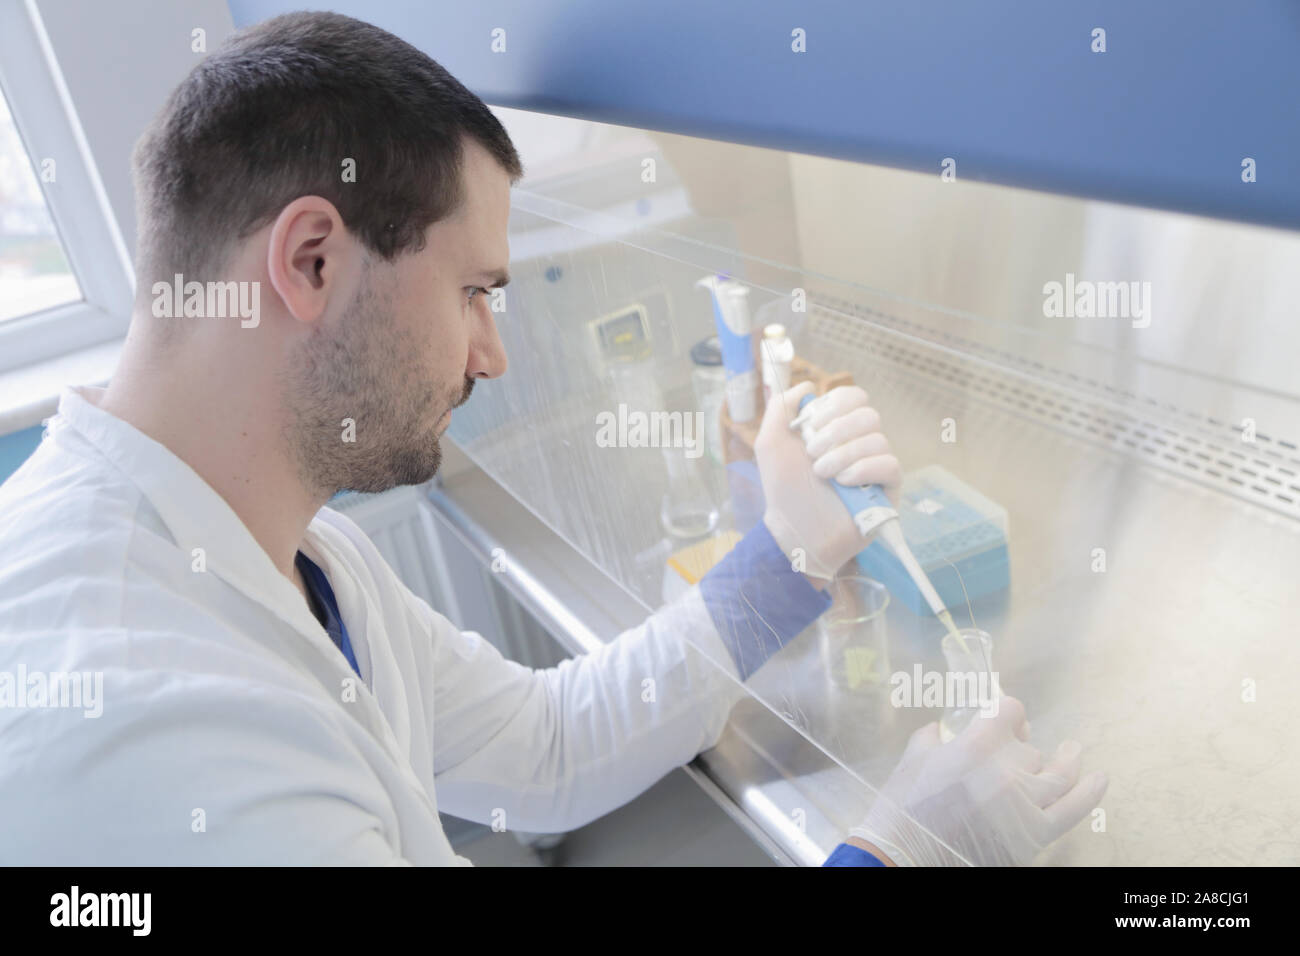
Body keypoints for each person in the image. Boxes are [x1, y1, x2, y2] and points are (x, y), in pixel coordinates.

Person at [0, 11, 1104, 865]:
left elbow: (545, 742)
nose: (493, 355)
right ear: (312, 262)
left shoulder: (279, 544)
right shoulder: (147, 726)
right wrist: (897, 847)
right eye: (474, 290)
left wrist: (791, 553)